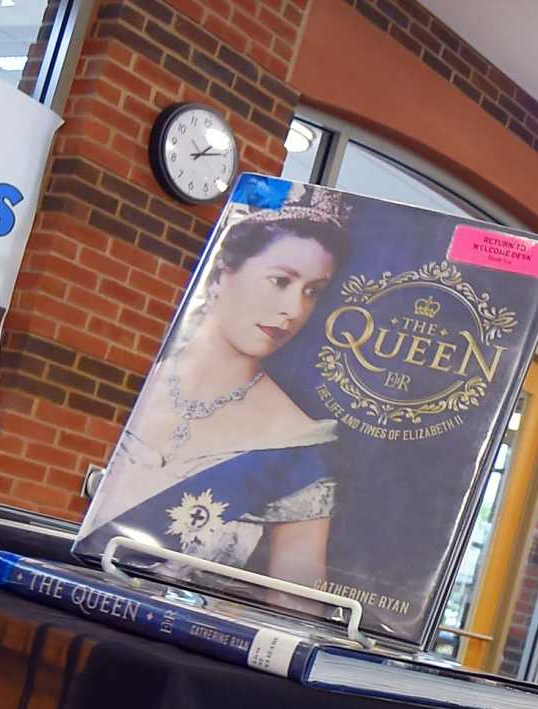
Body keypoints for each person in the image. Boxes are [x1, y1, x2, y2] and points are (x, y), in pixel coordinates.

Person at [80, 185, 348, 585]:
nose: (294, 310)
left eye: (312, 292)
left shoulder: (297, 447)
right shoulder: (125, 377)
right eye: (280, 281)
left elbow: (295, 605)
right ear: (223, 271)